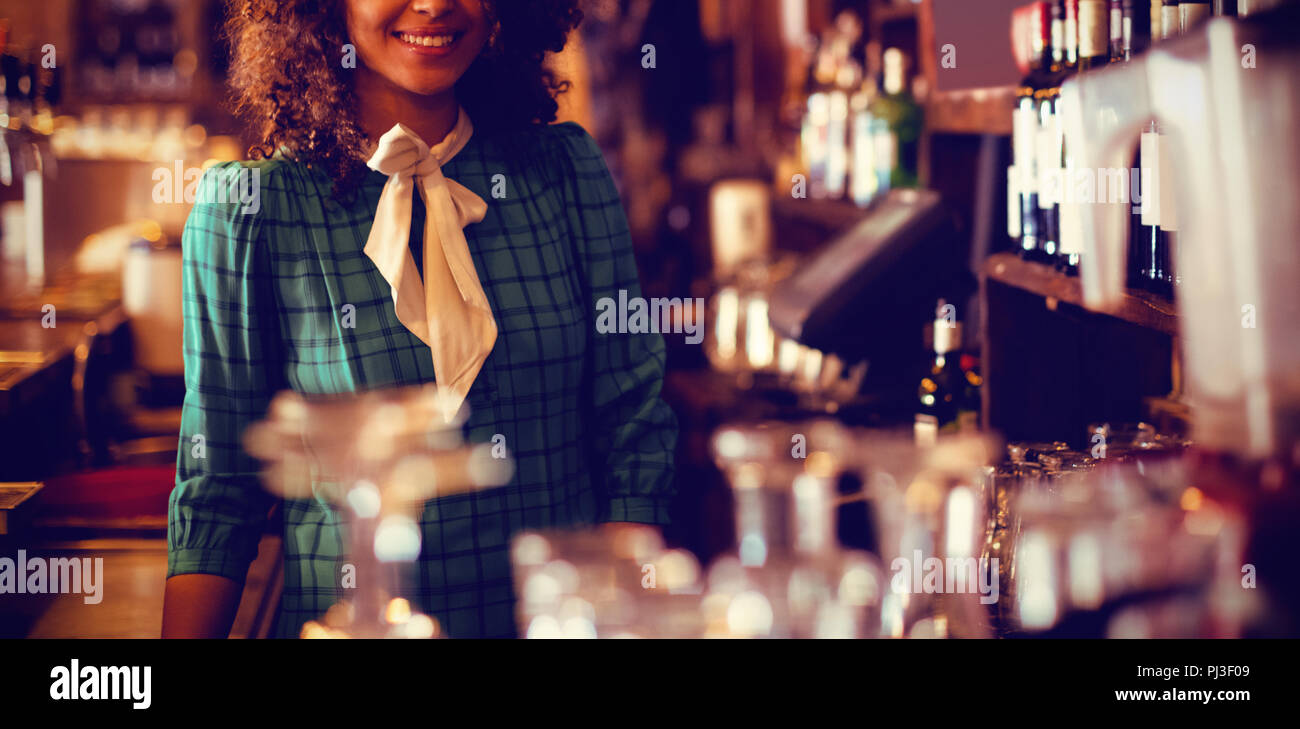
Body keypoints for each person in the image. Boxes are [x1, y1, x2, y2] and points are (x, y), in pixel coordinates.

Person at [162, 0, 678, 638]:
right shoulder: (253, 211)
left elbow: (633, 434)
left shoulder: (567, 174)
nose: (433, 4)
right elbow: (219, 497)